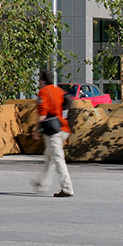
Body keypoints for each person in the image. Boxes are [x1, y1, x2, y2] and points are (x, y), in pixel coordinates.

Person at [32, 70, 74, 198]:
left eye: (40, 79)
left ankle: (67, 188)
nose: (38, 82)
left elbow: (43, 113)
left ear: (44, 80)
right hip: (63, 128)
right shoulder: (58, 91)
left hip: (52, 131)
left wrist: (36, 129)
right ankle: (43, 184)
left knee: (57, 158)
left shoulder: (43, 92)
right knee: (49, 156)